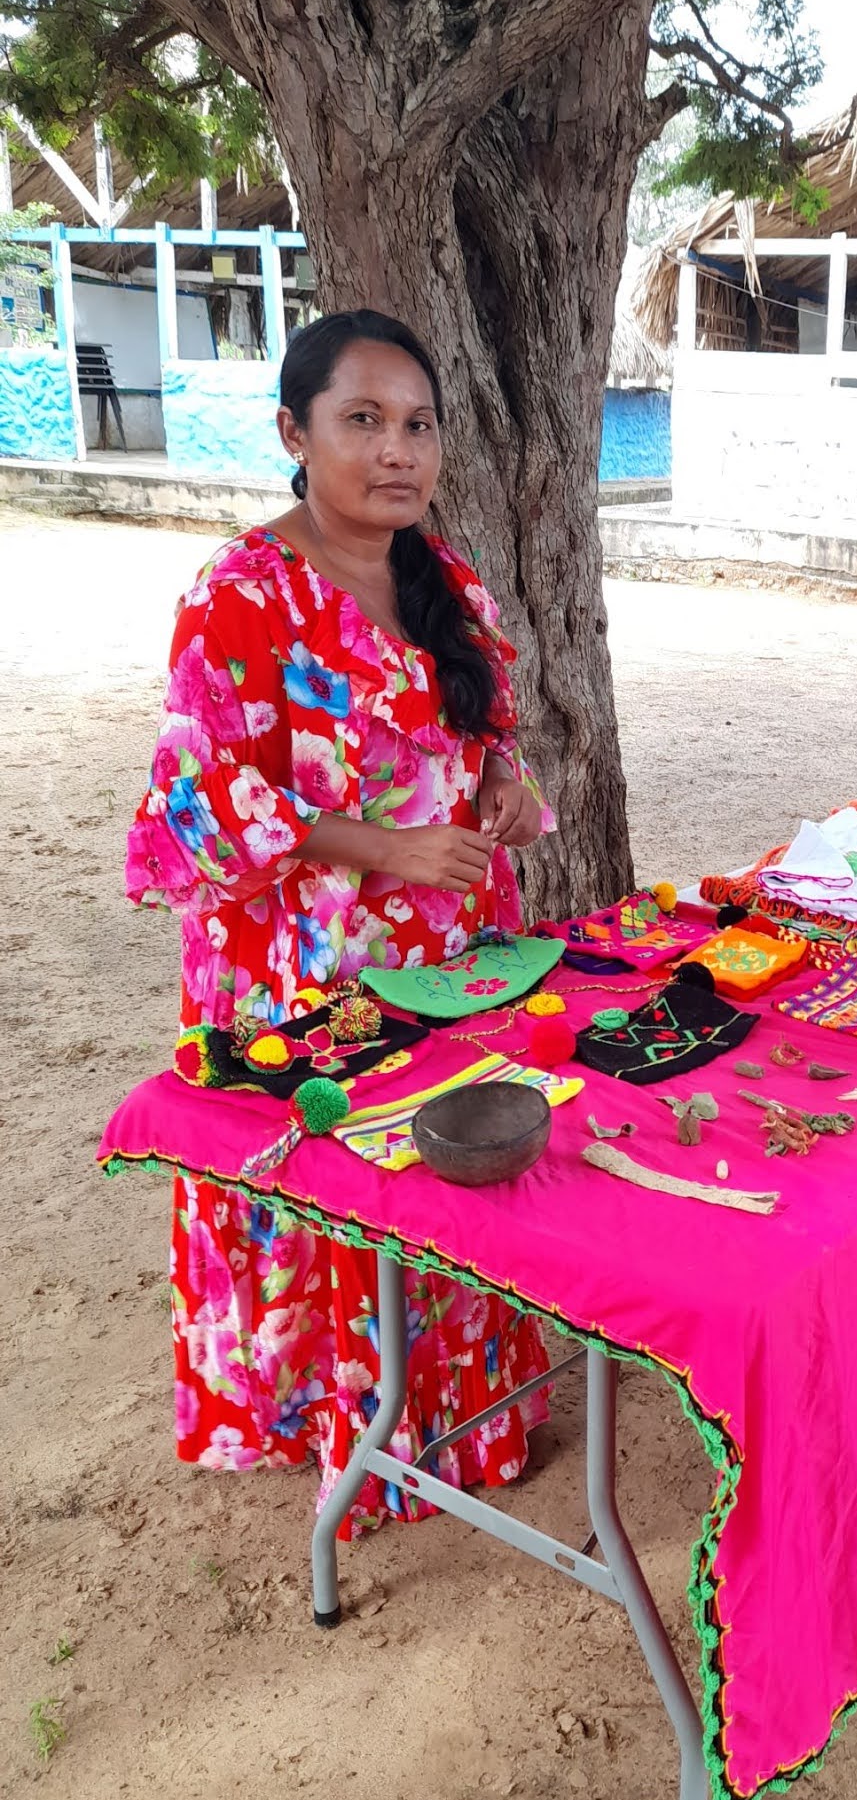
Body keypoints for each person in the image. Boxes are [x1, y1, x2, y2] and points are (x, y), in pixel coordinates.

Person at [127, 308, 555, 1532]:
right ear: (293, 433)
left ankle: (458, 1413)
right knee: (346, 1181)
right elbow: (204, 795)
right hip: (302, 966)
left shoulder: (443, 577)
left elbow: (478, 736)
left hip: (448, 953)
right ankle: (349, 1433)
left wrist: (502, 790)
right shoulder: (239, 594)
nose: (396, 450)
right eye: (362, 420)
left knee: (445, 1175)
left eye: (417, 424)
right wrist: (388, 847)